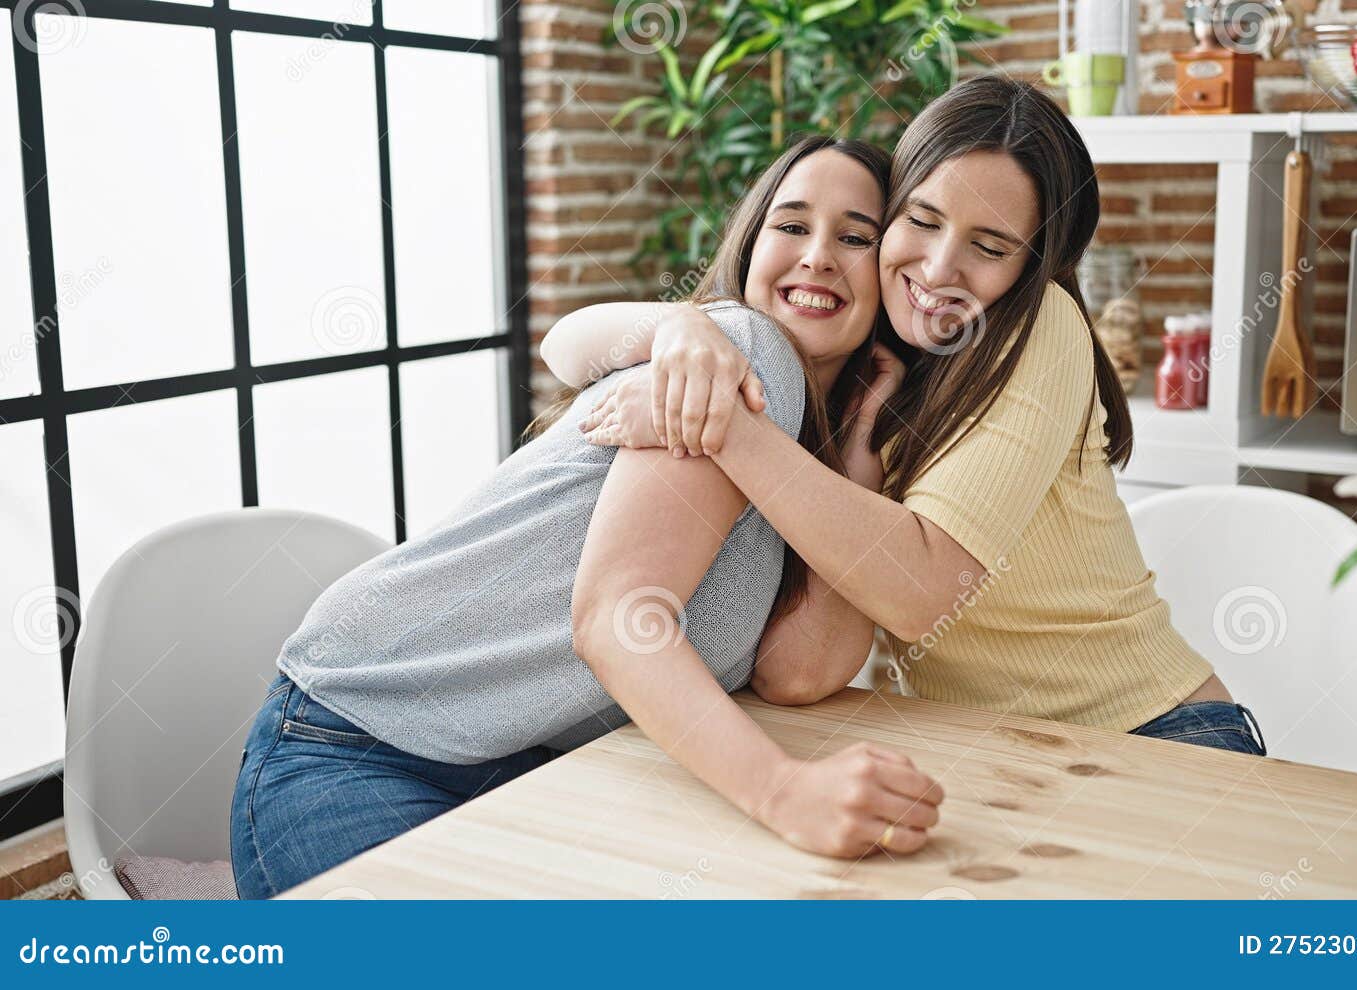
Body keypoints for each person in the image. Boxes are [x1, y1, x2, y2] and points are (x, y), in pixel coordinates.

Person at [229, 136, 946, 899]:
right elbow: (617, 619)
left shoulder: (793, 444)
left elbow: (802, 674)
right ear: (752, 242)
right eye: (792, 225)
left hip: (530, 767)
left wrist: (858, 462)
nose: (817, 257)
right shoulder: (738, 350)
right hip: (357, 743)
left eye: (855, 237)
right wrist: (783, 792)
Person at [541, 75, 1267, 758]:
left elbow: (924, 593)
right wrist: (679, 331)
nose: (940, 268)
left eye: (989, 247)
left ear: (1033, 265)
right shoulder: (863, 359)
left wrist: (725, 426)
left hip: (1152, 733)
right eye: (921, 221)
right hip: (981, 749)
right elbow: (799, 675)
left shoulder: (1040, 325)